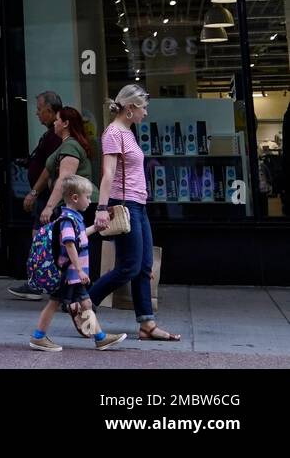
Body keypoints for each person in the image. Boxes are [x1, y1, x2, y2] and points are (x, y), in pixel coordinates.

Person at [88, 84, 182, 342]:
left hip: (138, 205)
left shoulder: (128, 133)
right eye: (143, 108)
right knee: (129, 267)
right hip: (124, 204)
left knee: (144, 267)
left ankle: (146, 324)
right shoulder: (114, 133)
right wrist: (102, 208)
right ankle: (84, 304)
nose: (146, 113)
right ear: (130, 109)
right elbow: (108, 173)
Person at [29, 175, 127, 351]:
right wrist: (80, 270)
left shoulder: (75, 218)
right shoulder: (68, 220)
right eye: (87, 197)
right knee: (54, 303)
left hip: (72, 275)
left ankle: (100, 337)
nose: (90, 201)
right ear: (75, 198)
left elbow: (79, 238)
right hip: (68, 275)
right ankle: (38, 337)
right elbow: (69, 244)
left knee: (86, 303)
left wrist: (95, 228)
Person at [9, 89, 64, 299]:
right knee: (41, 237)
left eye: (39, 110)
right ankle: (39, 281)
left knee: (42, 238)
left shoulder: (55, 136)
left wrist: (34, 192)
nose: (36, 114)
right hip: (45, 196)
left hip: (47, 196)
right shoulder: (50, 134)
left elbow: (49, 168)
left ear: (50, 111)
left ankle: (39, 283)